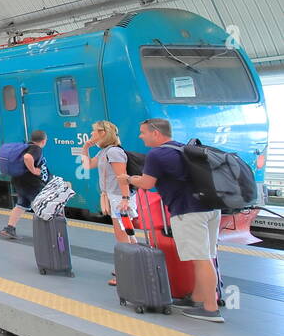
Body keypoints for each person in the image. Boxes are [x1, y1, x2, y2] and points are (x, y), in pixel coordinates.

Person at [122, 118, 223, 322]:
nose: (140, 136)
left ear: (156, 133)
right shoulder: (183, 149)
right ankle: (197, 298)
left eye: (143, 132)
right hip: (211, 208)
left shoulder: (157, 154)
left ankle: (211, 309)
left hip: (188, 211)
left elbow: (148, 183)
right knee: (205, 256)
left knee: (202, 258)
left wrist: (129, 179)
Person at [79, 120, 134, 287]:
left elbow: (122, 177)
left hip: (119, 199)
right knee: (127, 234)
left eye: (94, 132)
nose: (91, 135)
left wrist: (125, 200)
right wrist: (85, 148)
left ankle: (127, 273)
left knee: (123, 236)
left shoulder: (114, 153)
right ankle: (132, 266)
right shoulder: (104, 152)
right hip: (113, 197)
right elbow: (87, 165)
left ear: (103, 133)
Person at [0, 130, 48, 239]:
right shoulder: (36, 148)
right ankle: (45, 233)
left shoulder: (25, 146)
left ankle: (9, 228)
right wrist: (34, 170)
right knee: (42, 204)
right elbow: (28, 157)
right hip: (30, 182)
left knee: (21, 205)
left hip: (18, 180)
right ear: (44, 141)